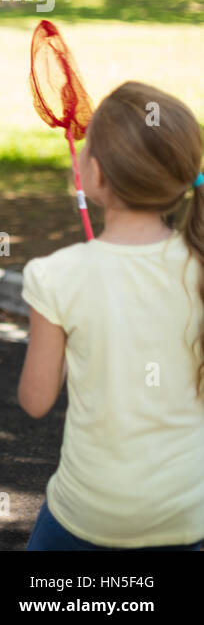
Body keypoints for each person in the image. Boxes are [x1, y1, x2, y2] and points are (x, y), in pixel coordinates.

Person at [18, 81, 204, 550]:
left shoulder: (55, 274)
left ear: (94, 174)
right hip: (189, 512)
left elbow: (35, 401)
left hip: (90, 515)